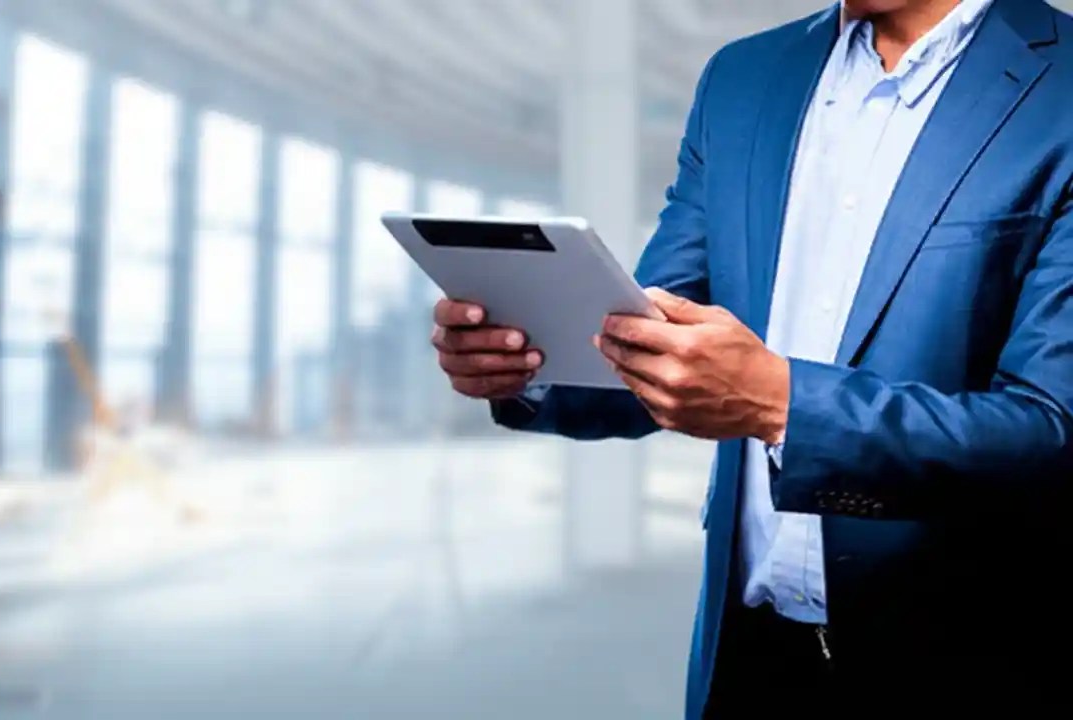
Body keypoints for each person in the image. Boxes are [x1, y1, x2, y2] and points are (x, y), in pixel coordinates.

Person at [431, 0, 1073, 717]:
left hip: (972, 661)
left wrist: (781, 405)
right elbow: (662, 329)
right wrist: (526, 363)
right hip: (751, 662)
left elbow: (1052, 431)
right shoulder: (742, 79)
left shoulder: (1063, 86)